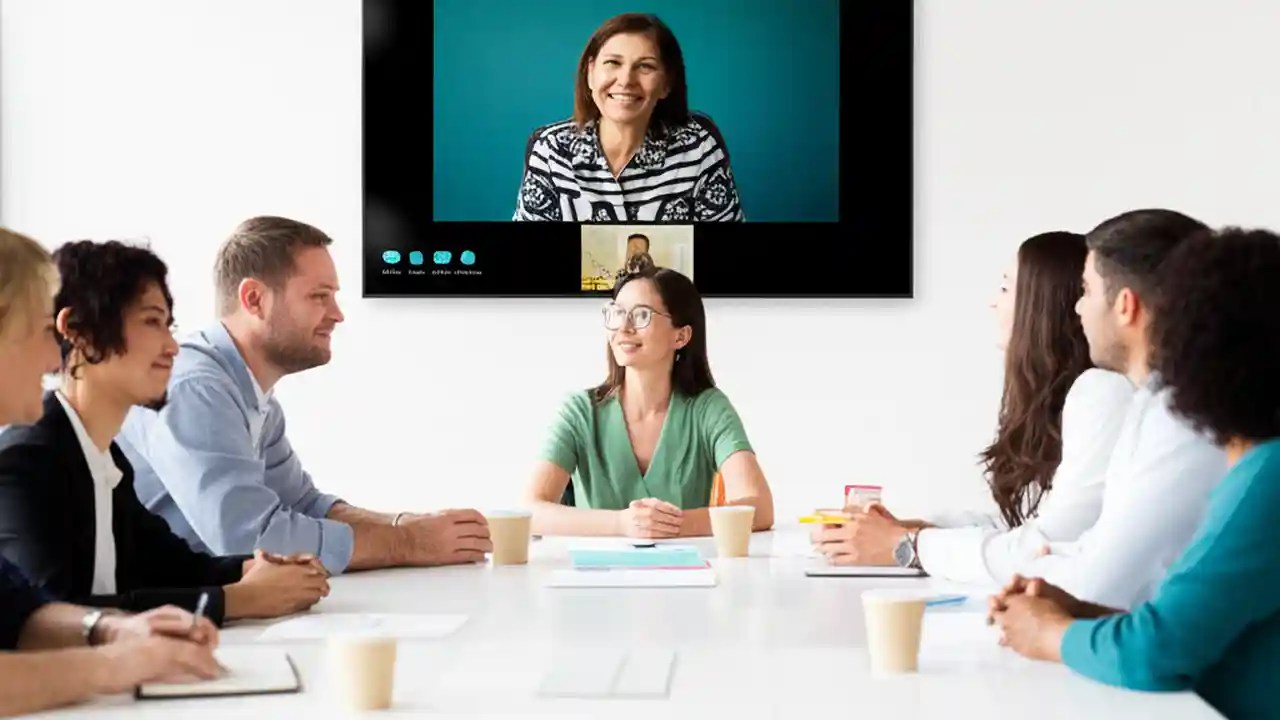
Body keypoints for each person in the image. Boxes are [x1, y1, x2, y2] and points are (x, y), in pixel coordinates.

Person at [991, 227, 1280, 719]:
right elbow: (1198, 634)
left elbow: (1158, 651)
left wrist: (1051, 635)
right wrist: (1081, 616)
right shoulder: (1255, 466)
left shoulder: (1267, 478)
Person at [119, 216, 492, 575]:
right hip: (147, 614)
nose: (338, 314)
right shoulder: (196, 389)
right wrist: (407, 542)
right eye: (319, 296)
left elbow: (303, 504)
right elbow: (250, 538)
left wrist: (407, 523)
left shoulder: (252, 393)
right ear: (254, 299)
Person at [0, 240, 329, 624]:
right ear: (77, 332)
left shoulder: (103, 457)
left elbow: (172, 564)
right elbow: (55, 615)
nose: (172, 347)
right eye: (152, 321)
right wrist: (237, 599)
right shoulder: (27, 460)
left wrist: (261, 568)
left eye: (169, 326)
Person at [810, 232, 1133, 584]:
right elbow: (1020, 523)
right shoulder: (1060, 398)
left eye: (1006, 288)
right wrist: (906, 531)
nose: (993, 303)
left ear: (1040, 305)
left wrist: (908, 546)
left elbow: (1046, 547)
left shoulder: (1102, 393)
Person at [0, 228, 222, 717]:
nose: (48, 358)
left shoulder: (108, 458)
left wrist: (112, 629)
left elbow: (21, 610)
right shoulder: (25, 458)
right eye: (40, 332)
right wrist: (117, 662)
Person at [1003, 209, 1225, 610]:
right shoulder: (1153, 406)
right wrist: (1059, 565)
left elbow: (1103, 583)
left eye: (1086, 291)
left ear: (1125, 306)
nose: (1076, 310)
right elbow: (1099, 552)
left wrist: (1044, 572)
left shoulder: (1183, 421)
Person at [525, 266, 773, 537]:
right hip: (595, 576)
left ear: (681, 336)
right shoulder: (579, 411)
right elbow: (531, 509)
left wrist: (668, 525)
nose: (624, 327)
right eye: (618, 313)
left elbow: (759, 508)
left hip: (685, 574)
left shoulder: (708, 408)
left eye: (641, 315)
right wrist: (622, 524)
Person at [513, 13, 744, 223]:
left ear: (666, 84)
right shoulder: (551, 151)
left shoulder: (699, 148)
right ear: (591, 73)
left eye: (645, 66)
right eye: (613, 63)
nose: (625, 80)